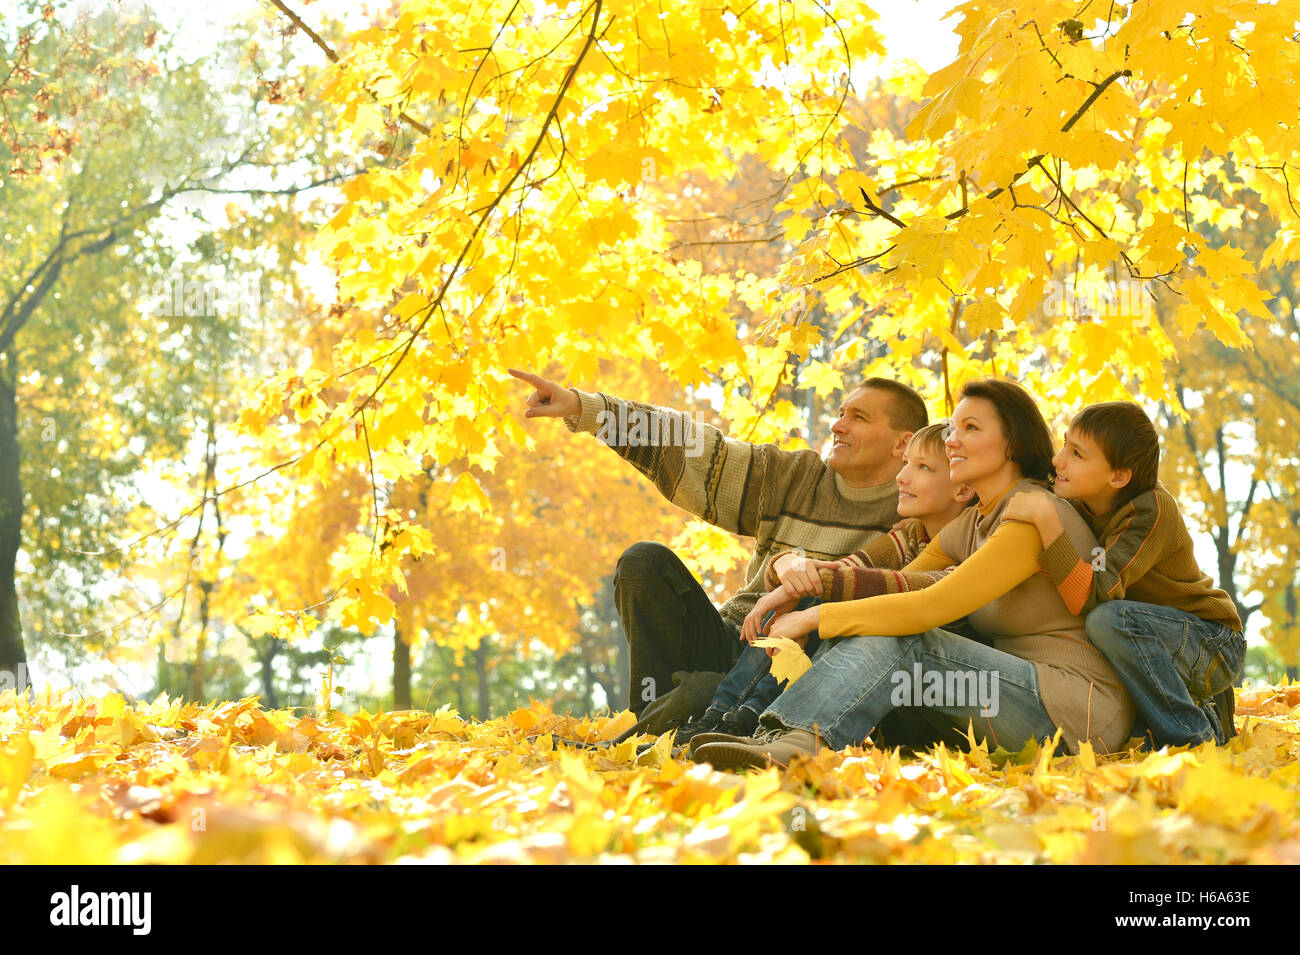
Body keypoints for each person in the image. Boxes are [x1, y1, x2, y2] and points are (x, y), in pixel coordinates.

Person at [692, 378, 1136, 770]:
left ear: (1012, 445)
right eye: (952, 430)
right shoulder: (974, 521)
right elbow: (897, 583)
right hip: (1009, 691)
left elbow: (927, 608)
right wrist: (794, 588)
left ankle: (794, 742)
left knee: (907, 634)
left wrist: (811, 618)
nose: (952, 442)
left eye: (971, 429)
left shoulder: (1030, 517)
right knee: (876, 618)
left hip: (1076, 711)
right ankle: (779, 737)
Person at [508, 367, 927, 716]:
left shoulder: (919, 513)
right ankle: (651, 717)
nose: (837, 424)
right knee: (644, 561)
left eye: (858, 417)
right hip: (733, 642)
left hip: (806, 673)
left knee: (721, 680)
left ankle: (692, 706)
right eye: (839, 413)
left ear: (903, 442)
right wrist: (587, 409)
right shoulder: (794, 476)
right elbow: (696, 448)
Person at [672, 419, 975, 747]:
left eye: (923, 467)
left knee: (827, 602)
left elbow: (916, 586)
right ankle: (719, 717)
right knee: (812, 598)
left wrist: (804, 596)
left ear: (962, 488)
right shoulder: (911, 532)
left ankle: (745, 718)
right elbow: (846, 568)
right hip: (891, 688)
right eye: (905, 464)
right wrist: (786, 577)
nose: (902, 477)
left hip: (935, 701)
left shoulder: (973, 540)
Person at [997, 401, 1245, 747]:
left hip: (1212, 641)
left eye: (1077, 454)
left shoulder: (1149, 511)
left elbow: (1093, 594)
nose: (1058, 459)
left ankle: (1195, 737)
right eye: (1064, 444)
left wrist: (1047, 520)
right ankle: (1198, 712)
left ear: (1118, 476)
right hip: (1154, 636)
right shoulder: (1079, 500)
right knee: (1108, 627)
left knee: (1108, 621)